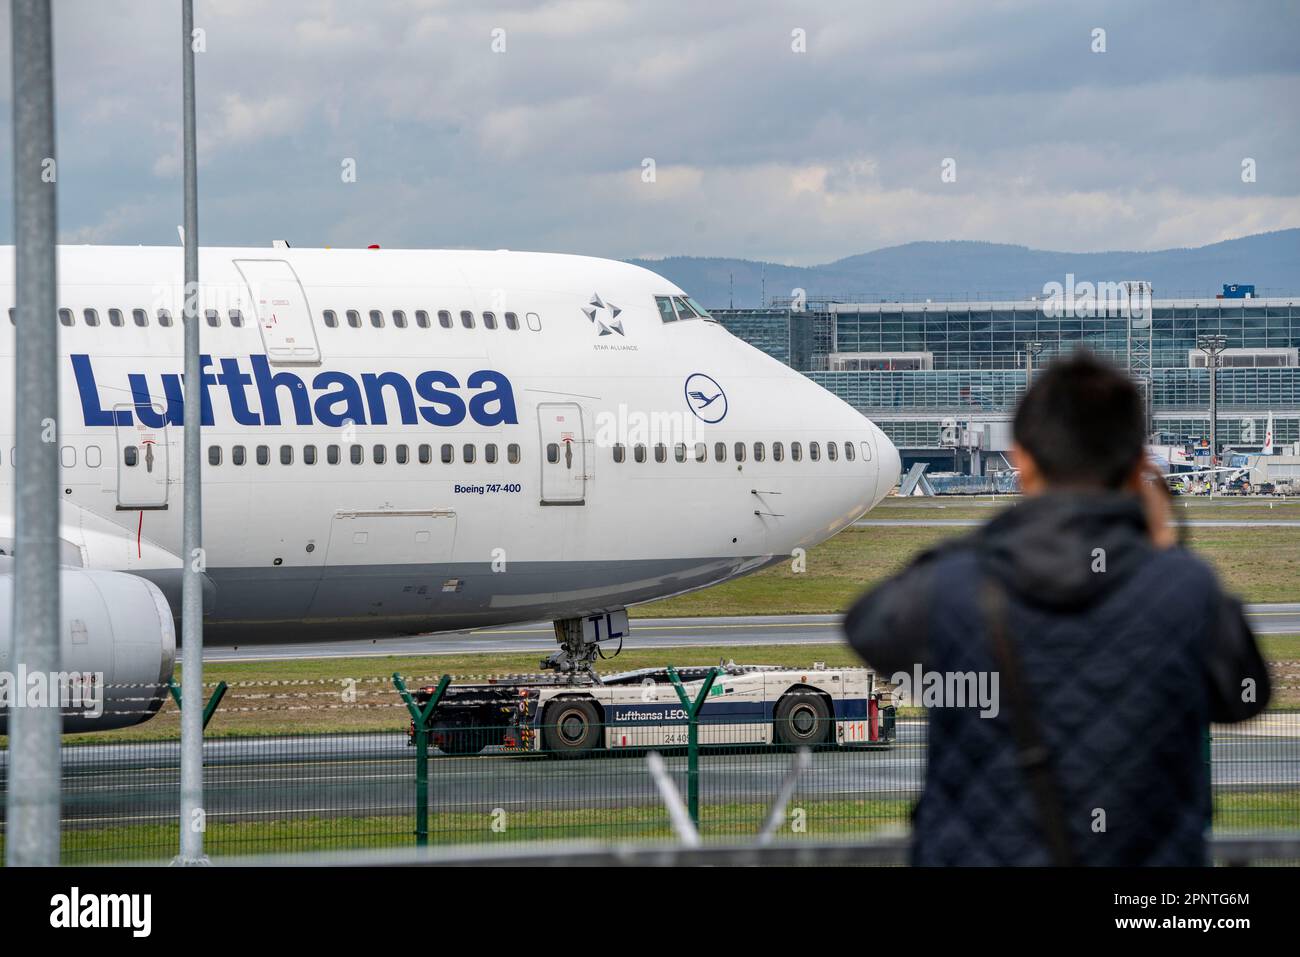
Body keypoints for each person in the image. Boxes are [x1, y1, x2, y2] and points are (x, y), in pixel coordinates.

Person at [843, 351, 1271, 866]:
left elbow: (867, 626)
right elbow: (1245, 696)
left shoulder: (958, 583)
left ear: (1020, 460)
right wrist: (1167, 549)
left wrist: (994, 539)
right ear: (1138, 464)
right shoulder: (1186, 588)